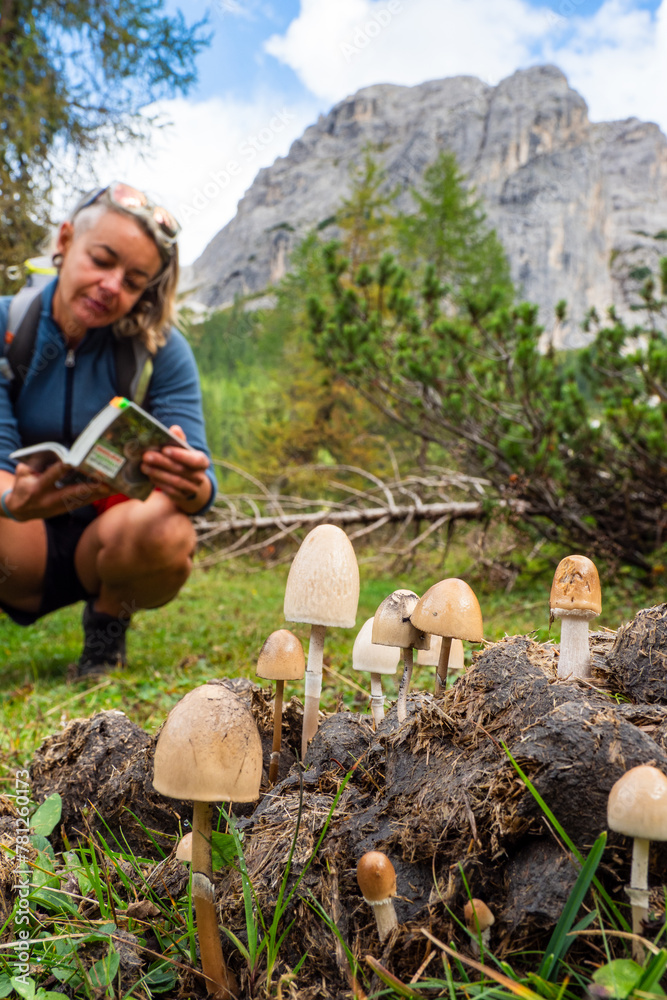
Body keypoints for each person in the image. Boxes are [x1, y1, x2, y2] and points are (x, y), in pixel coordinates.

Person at [0, 182, 217, 676]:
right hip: (17, 541)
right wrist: (13, 499)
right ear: (65, 240)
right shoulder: (6, 326)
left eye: (134, 279)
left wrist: (193, 481)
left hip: (107, 543)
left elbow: (203, 483)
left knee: (170, 524)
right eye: (102, 260)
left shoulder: (161, 349)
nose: (112, 286)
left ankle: (104, 632)